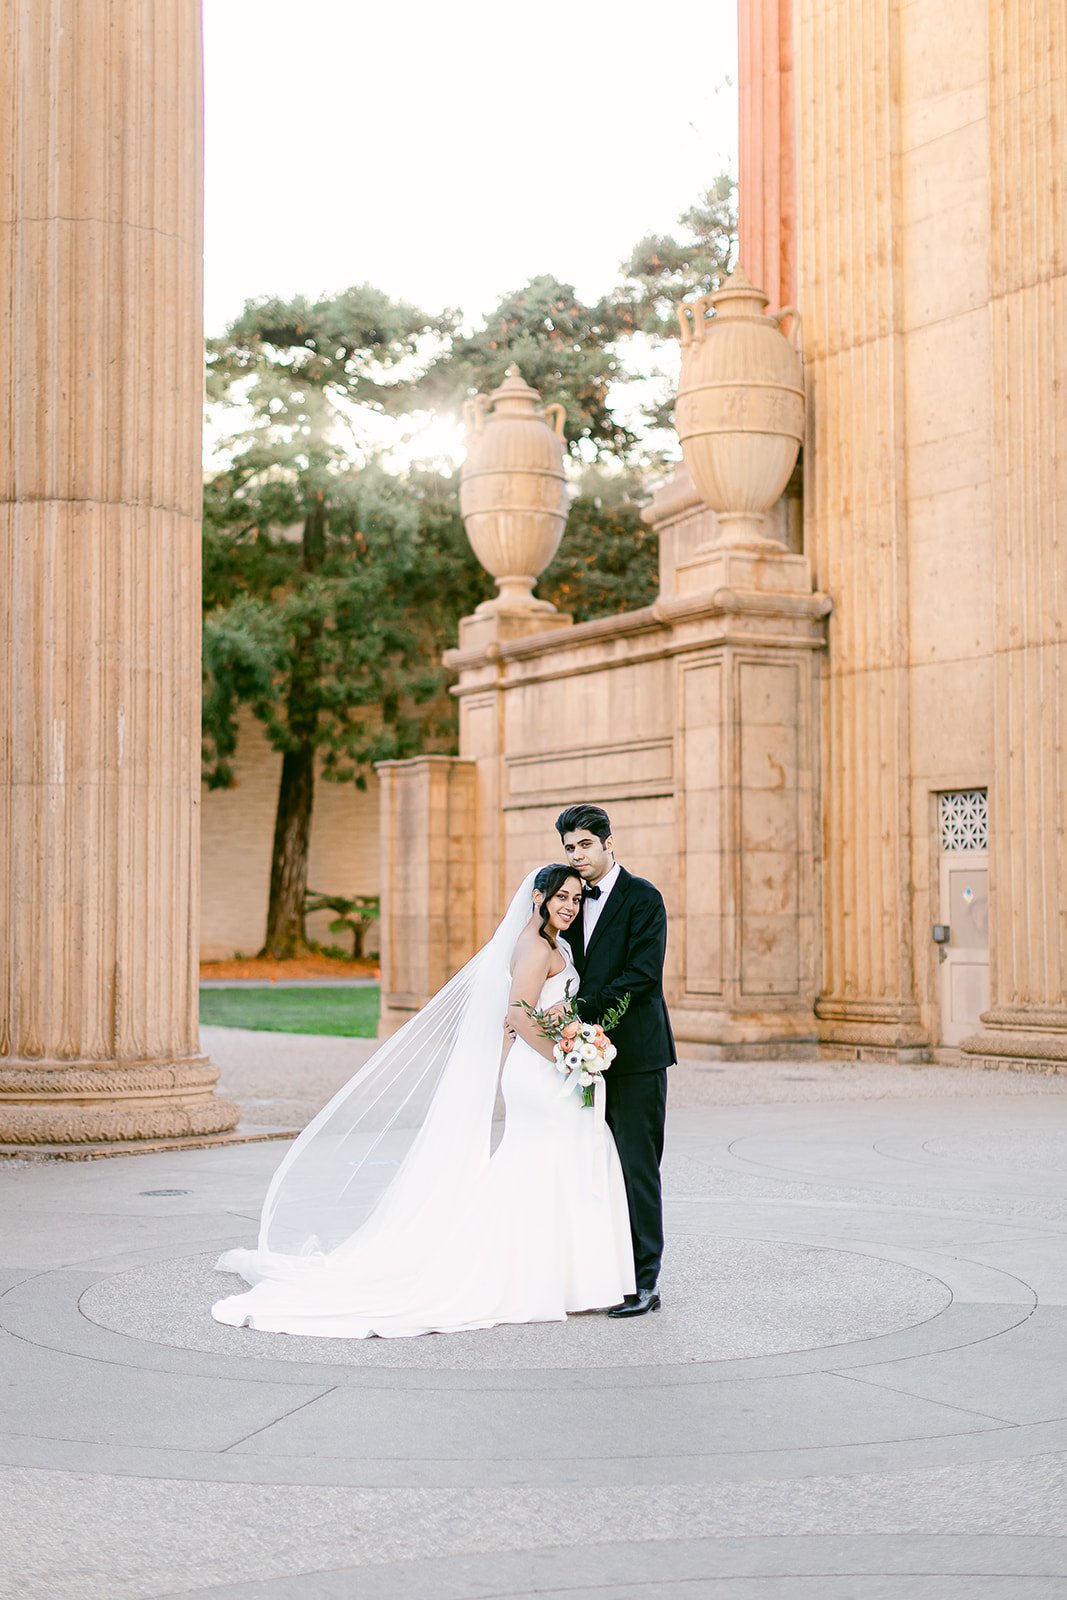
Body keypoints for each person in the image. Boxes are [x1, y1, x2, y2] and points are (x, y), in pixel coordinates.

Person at [211, 864, 634, 1338]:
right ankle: (536, 1274)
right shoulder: (535, 947)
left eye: (576, 899)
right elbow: (517, 1012)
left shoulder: (557, 945)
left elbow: (538, 1009)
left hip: (550, 1066)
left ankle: (565, 1277)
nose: (569, 906)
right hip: (541, 1073)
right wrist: (565, 1055)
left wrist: (569, 1027)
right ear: (538, 897)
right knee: (545, 1161)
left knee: (557, 1161)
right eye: (561, 896)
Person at [555, 803, 675, 1317]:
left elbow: (641, 975)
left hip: (637, 1057)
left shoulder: (644, 898)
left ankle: (644, 1281)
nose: (577, 856)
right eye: (569, 848)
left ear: (608, 842)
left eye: (584, 845)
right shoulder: (570, 901)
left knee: (636, 1168)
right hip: (578, 1056)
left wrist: (578, 1013)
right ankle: (601, 1272)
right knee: (591, 1167)